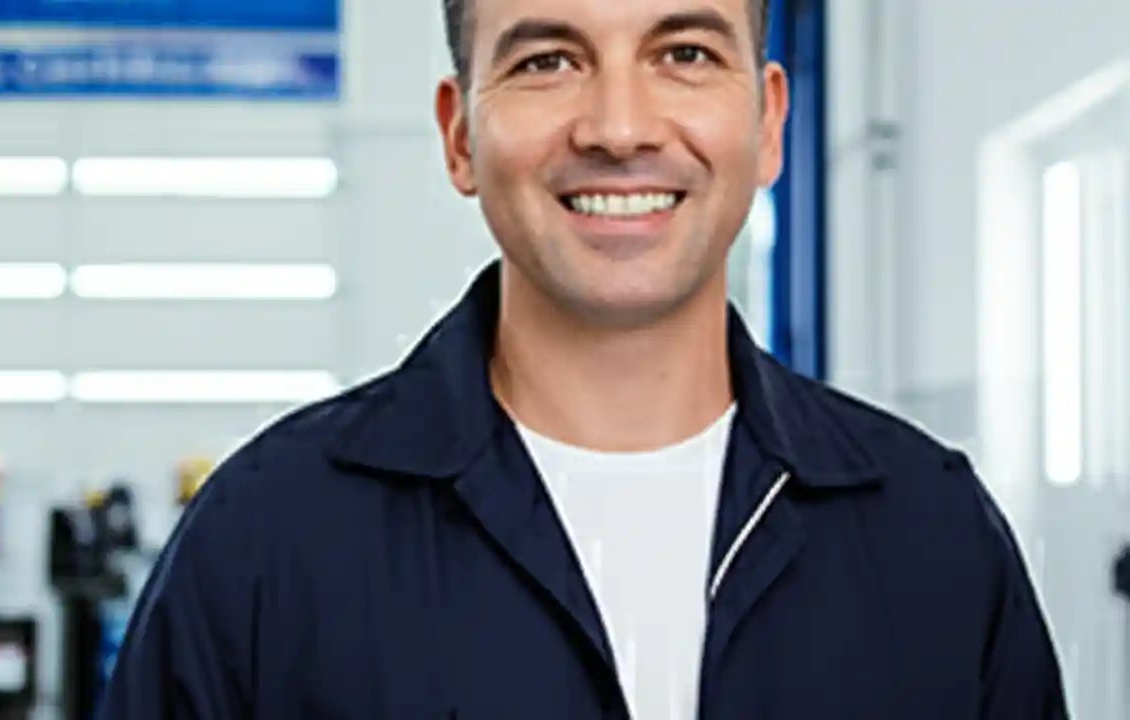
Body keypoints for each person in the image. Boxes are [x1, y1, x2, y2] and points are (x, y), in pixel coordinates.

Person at [99, 0, 1070, 717]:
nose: (616, 127)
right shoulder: (265, 542)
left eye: (682, 53)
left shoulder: (930, 536)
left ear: (768, 123)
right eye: (545, 61)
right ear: (457, 134)